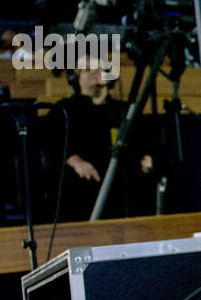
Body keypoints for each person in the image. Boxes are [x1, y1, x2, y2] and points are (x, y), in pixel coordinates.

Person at [45, 58, 154, 220]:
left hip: (123, 184)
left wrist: (146, 156)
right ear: (76, 79)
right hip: (82, 184)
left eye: (100, 69)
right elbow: (52, 143)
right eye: (88, 69)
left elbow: (145, 140)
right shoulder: (64, 110)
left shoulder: (125, 110)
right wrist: (75, 161)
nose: (95, 71)